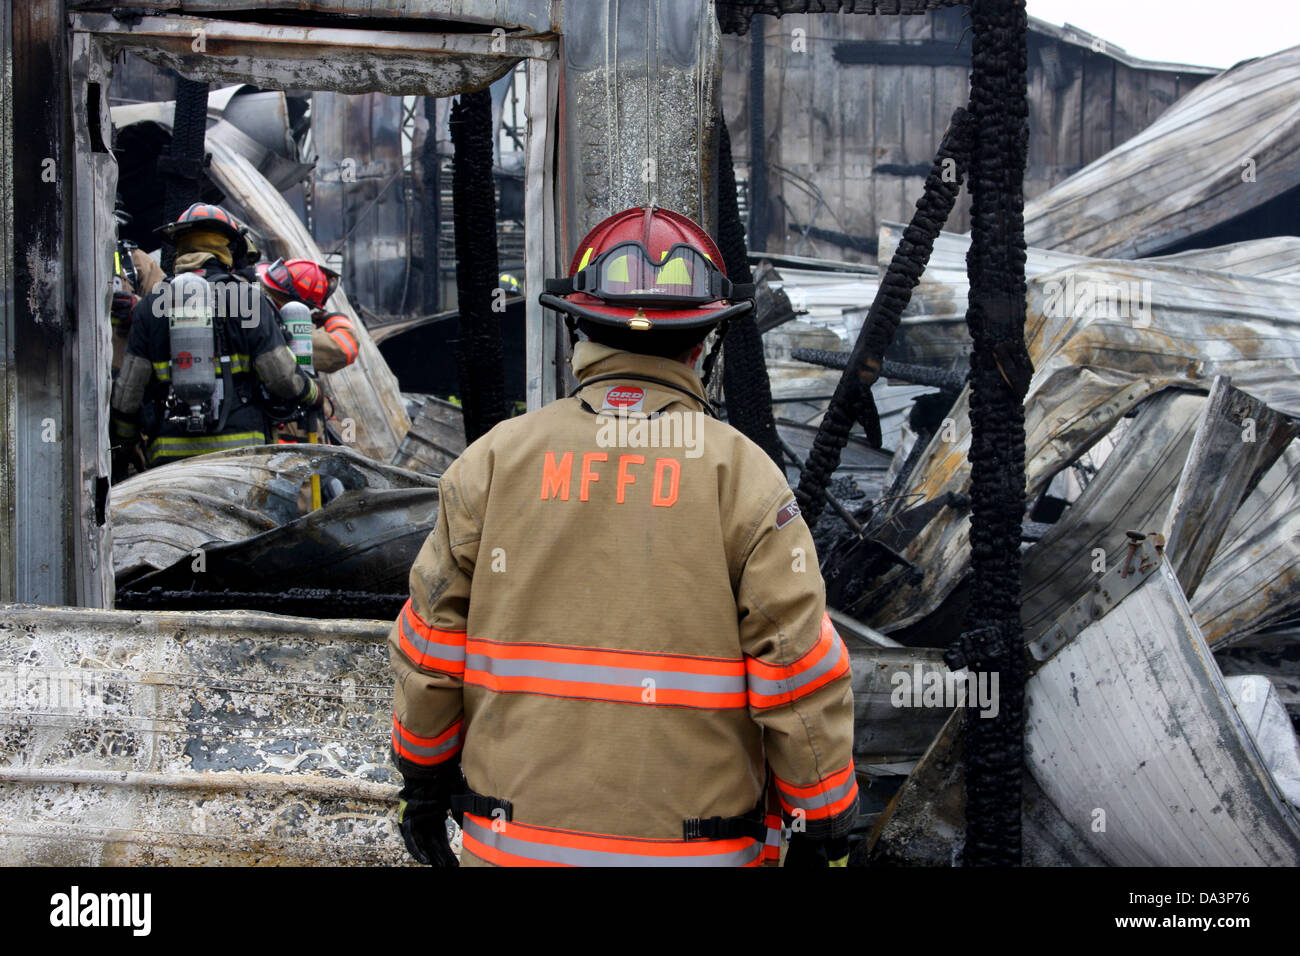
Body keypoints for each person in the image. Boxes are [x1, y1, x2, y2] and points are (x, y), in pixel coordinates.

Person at [389, 206, 858, 867]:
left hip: (512, 848)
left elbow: (431, 655)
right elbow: (799, 679)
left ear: (579, 326)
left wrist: (423, 787)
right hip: (701, 854)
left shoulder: (493, 464)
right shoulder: (744, 479)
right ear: (703, 342)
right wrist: (826, 831)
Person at [109, 202, 321, 477]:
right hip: (243, 459)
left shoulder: (150, 306)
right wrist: (313, 394)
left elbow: (128, 395)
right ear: (227, 247)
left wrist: (125, 445)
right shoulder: (248, 299)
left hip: (170, 465)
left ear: (180, 246)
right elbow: (281, 378)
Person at [256, 257, 359, 374]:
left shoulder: (246, 295)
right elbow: (345, 349)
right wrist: (332, 318)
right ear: (304, 304)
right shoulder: (285, 327)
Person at [110, 194, 165, 378]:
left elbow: (164, 310)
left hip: (123, 376)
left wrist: (136, 307)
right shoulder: (62, 260)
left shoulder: (134, 261)